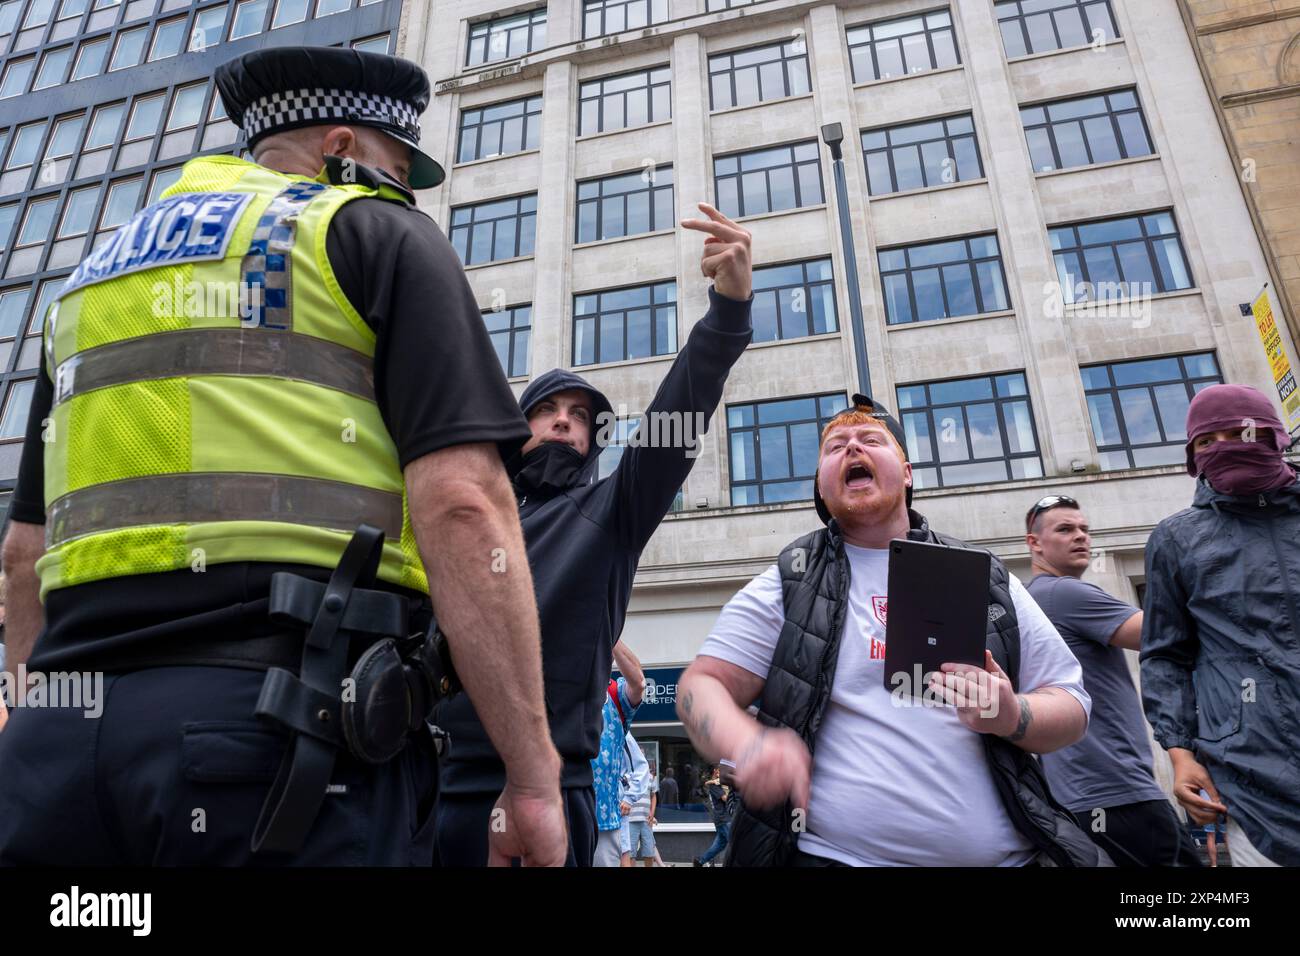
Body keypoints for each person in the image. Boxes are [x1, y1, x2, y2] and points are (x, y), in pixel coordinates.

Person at [0, 47, 566, 866]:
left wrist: (33, 723)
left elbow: (24, 556)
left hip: (55, 760)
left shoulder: (84, 287)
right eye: (398, 164)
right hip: (274, 755)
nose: (405, 188)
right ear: (341, 146)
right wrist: (534, 781)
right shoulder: (370, 232)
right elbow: (463, 504)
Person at [432, 203, 754, 866]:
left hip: (553, 789)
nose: (562, 423)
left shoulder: (613, 513)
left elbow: (678, 415)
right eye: (545, 411)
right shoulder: (466, 519)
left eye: (579, 417)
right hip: (431, 789)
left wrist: (726, 314)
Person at [677, 396, 1103, 866]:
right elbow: (700, 686)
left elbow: (1072, 703)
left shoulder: (984, 577)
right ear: (821, 484)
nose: (852, 448)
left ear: (906, 472)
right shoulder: (790, 578)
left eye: (871, 440)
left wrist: (1010, 714)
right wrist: (746, 743)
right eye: (835, 446)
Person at [1141, 382, 1300, 867]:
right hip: (1251, 781)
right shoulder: (1176, 539)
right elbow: (1165, 654)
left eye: (1238, 433)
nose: (1223, 448)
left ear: (1274, 437)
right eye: (1207, 442)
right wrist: (1179, 752)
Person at [1024, 496, 1199, 867]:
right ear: (1034, 543)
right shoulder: (1062, 592)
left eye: (1085, 529)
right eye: (1065, 529)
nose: (1081, 537)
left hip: (1079, 798)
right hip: (1119, 792)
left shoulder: (1032, 599)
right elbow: (1168, 632)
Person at [591, 648, 644, 868]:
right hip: (558, 815)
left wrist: (608, 625)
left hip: (604, 820)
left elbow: (639, 683)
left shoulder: (613, 694)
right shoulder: (559, 686)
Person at [624, 734, 657, 866]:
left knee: (649, 852)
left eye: (642, 755)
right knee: (630, 854)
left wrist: (652, 813)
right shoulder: (626, 776)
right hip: (630, 819)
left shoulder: (650, 777)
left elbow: (653, 795)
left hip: (646, 820)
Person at [694, 765, 731, 866]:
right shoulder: (714, 785)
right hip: (723, 818)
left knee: (720, 845)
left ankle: (700, 861)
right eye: (720, 769)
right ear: (715, 771)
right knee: (735, 842)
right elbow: (724, 798)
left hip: (722, 818)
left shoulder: (718, 783)